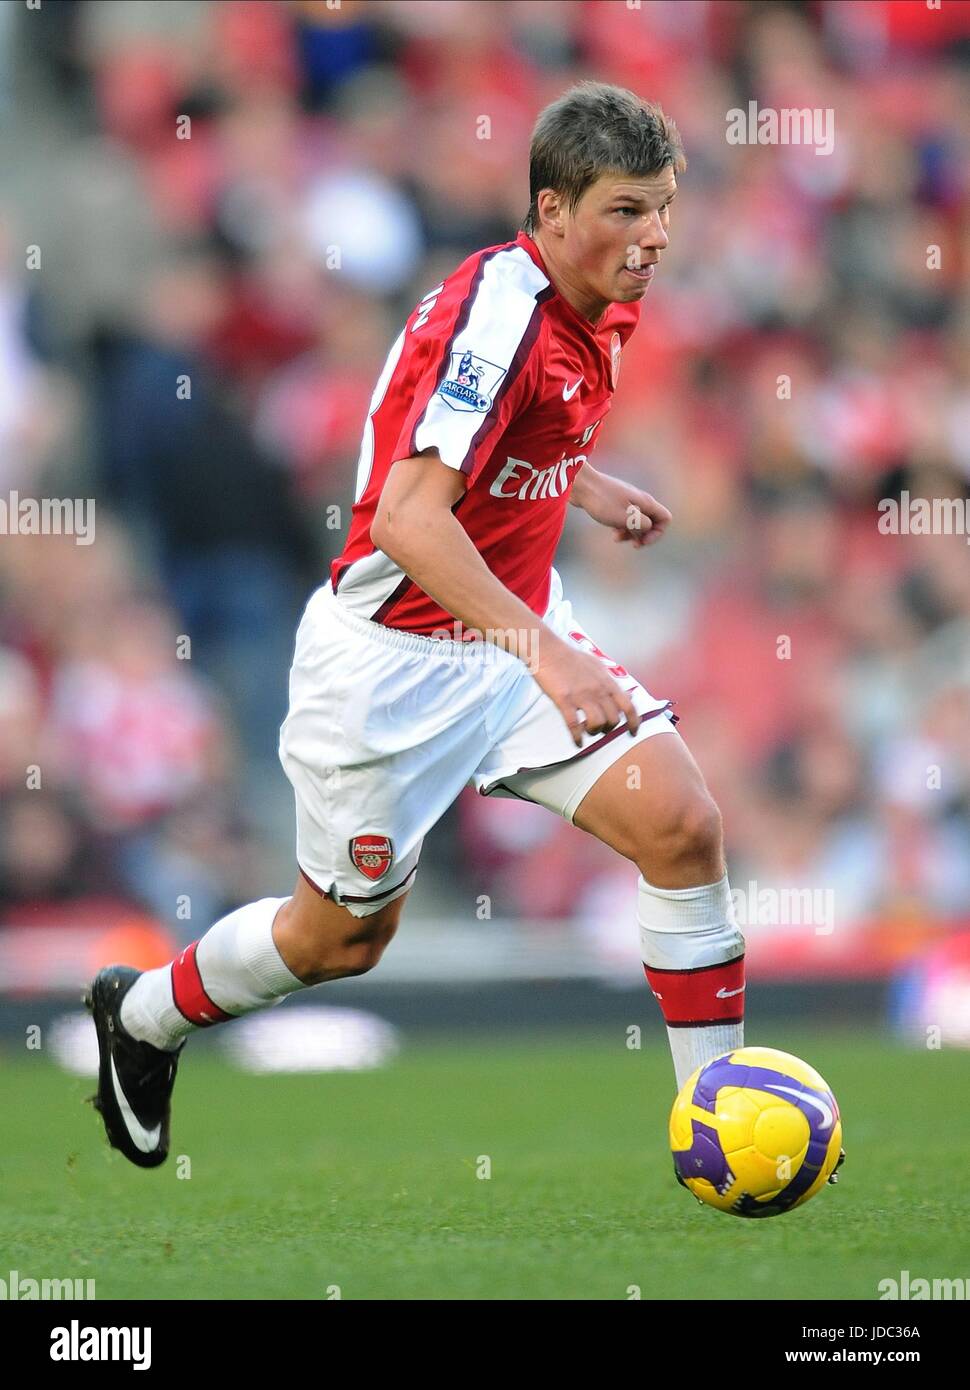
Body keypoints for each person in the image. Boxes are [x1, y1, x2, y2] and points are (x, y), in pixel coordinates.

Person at [85, 81, 745, 1170]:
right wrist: (545, 652)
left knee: (681, 828)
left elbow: (509, 430)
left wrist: (584, 485)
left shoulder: (599, 295)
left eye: (663, 207)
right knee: (337, 939)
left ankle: (718, 1128)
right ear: (552, 211)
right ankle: (145, 1017)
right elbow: (404, 515)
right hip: (390, 666)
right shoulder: (501, 315)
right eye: (626, 211)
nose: (653, 237)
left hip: (507, 630)